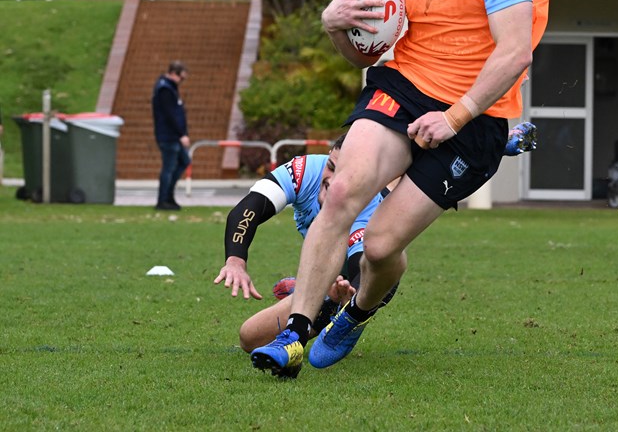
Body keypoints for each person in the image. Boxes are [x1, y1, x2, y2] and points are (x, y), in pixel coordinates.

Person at [248, 0, 550, 379]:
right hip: (405, 89)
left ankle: (359, 312)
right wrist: (335, 25)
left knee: (382, 247)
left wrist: (454, 118)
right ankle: (294, 336)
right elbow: (365, 54)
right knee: (340, 192)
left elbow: (515, 52)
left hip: (475, 120)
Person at [215, 124, 537, 366]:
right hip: (329, 277)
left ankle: (495, 144)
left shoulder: (369, 210)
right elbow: (249, 208)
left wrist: (344, 297)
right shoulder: (308, 170)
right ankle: (317, 295)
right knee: (250, 338)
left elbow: (365, 270)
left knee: (380, 254)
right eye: (331, 166)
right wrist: (235, 260)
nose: (332, 178)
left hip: (359, 279)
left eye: (344, 172)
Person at [151, 61, 191, 210]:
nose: (182, 81)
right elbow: (169, 115)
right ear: (174, 73)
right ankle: (163, 199)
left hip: (173, 135)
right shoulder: (165, 89)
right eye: (181, 78)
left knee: (184, 161)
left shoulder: (170, 88)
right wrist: (181, 134)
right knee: (169, 167)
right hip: (169, 136)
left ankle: (169, 195)